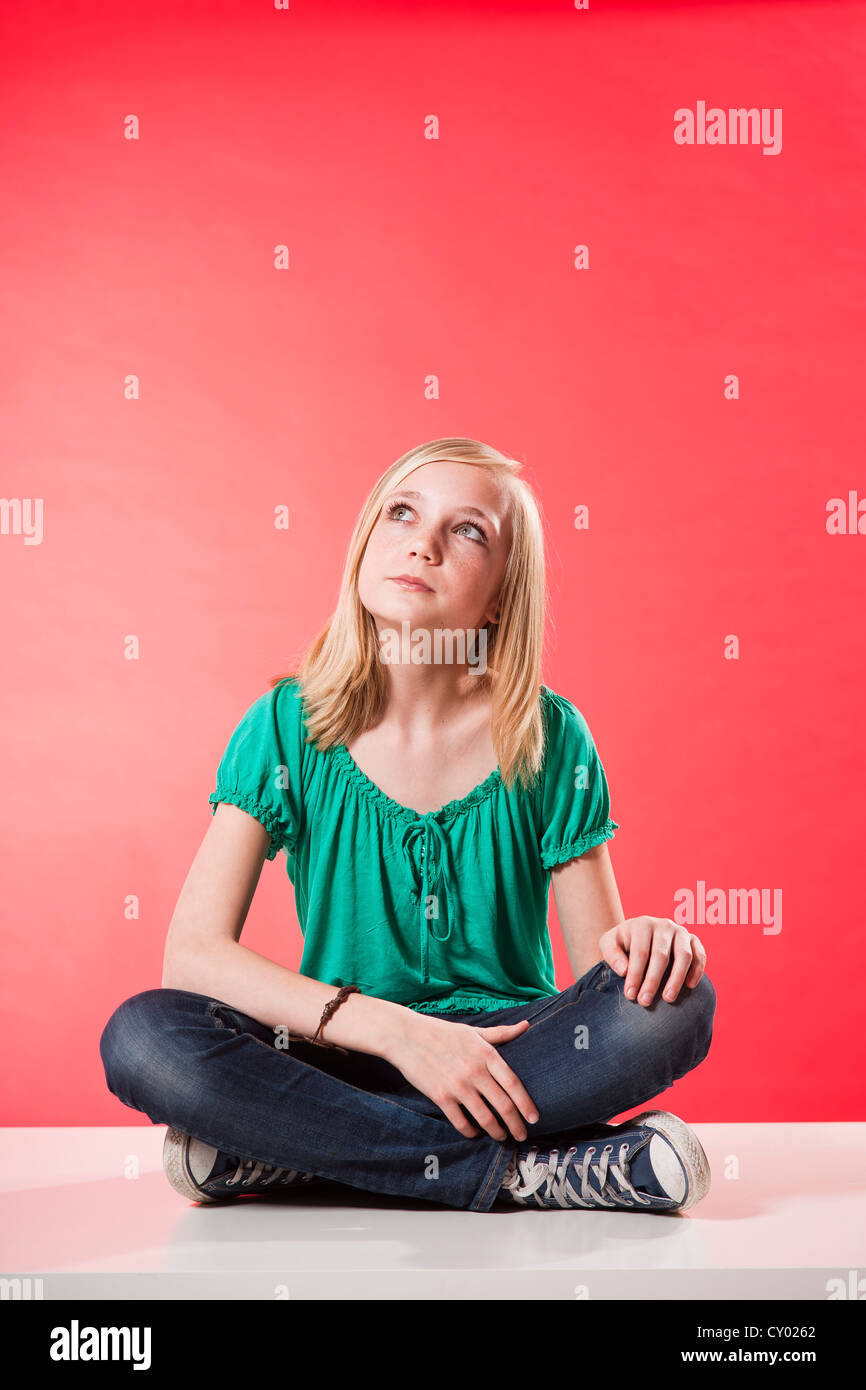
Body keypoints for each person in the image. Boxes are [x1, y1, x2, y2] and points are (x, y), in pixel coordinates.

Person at [99, 437, 716, 1214]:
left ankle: (306, 1154)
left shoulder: (549, 736)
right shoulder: (287, 727)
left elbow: (603, 974)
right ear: (364, 547)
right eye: (401, 513)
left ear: (499, 594)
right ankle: (528, 1173)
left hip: (506, 1060)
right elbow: (191, 956)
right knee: (143, 1036)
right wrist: (395, 1033)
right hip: (337, 1050)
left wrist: (649, 947)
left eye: (468, 531)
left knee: (677, 1007)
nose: (421, 543)